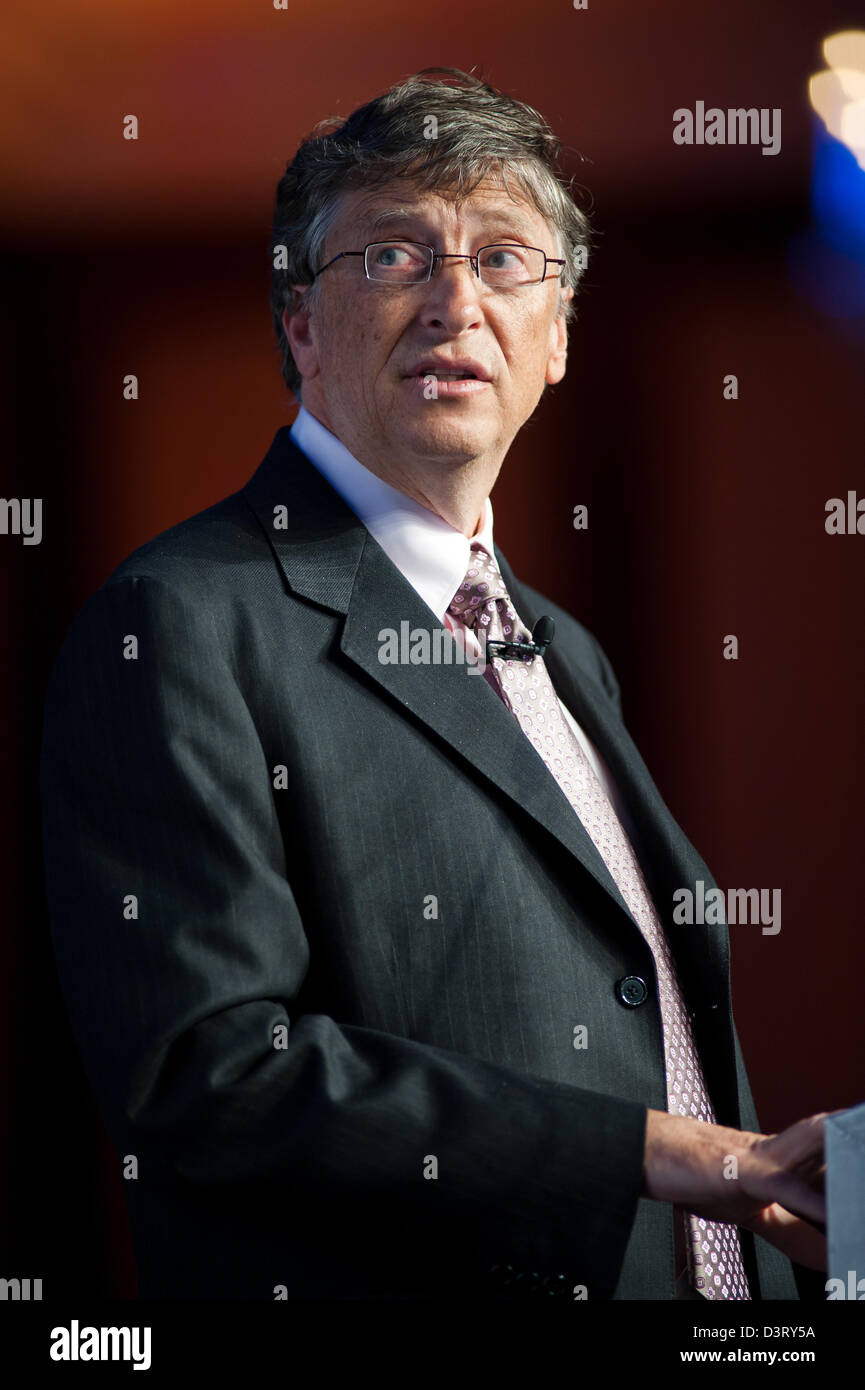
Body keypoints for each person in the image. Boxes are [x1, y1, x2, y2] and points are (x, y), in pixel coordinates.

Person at [40, 67, 827, 1302]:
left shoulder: (564, 645)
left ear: (559, 336)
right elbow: (209, 1076)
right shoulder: (180, 623)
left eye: (505, 258)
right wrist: (653, 1153)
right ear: (300, 324)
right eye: (394, 257)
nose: (457, 302)